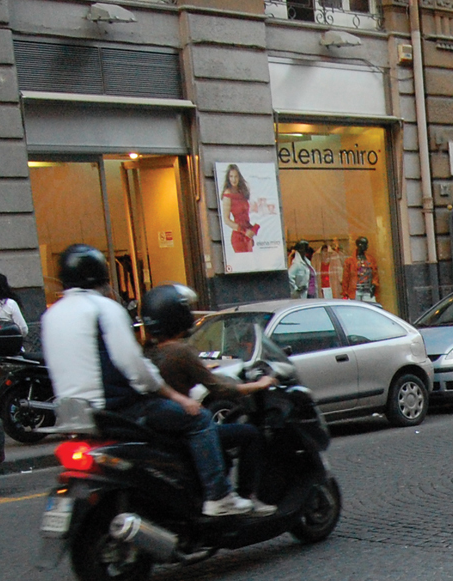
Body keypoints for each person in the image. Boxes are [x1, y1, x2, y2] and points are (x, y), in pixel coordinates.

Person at [42, 245, 256, 518]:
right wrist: (175, 396)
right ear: (101, 276)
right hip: (120, 410)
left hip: (76, 418)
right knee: (200, 419)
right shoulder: (104, 309)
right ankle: (219, 495)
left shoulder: (51, 316)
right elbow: (133, 367)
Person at [140, 284, 277, 516]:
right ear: (178, 316)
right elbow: (219, 388)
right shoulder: (181, 351)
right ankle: (246, 497)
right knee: (249, 434)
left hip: (162, 427)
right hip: (183, 425)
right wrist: (259, 384)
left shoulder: (148, 352)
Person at [220, 165, 259, 255]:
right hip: (239, 236)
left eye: (236, 176)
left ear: (239, 177)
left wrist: (253, 229)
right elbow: (226, 220)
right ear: (228, 178)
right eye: (231, 176)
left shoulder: (242, 192)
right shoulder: (228, 194)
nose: (233, 179)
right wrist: (244, 231)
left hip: (248, 235)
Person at [351, 236, 377, 304]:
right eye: (365, 244)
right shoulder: (350, 260)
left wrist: (374, 284)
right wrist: (346, 292)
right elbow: (346, 277)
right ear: (359, 245)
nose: (367, 246)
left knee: (371, 308)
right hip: (355, 290)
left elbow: (375, 273)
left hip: (367, 289)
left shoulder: (371, 259)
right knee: (356, 309)